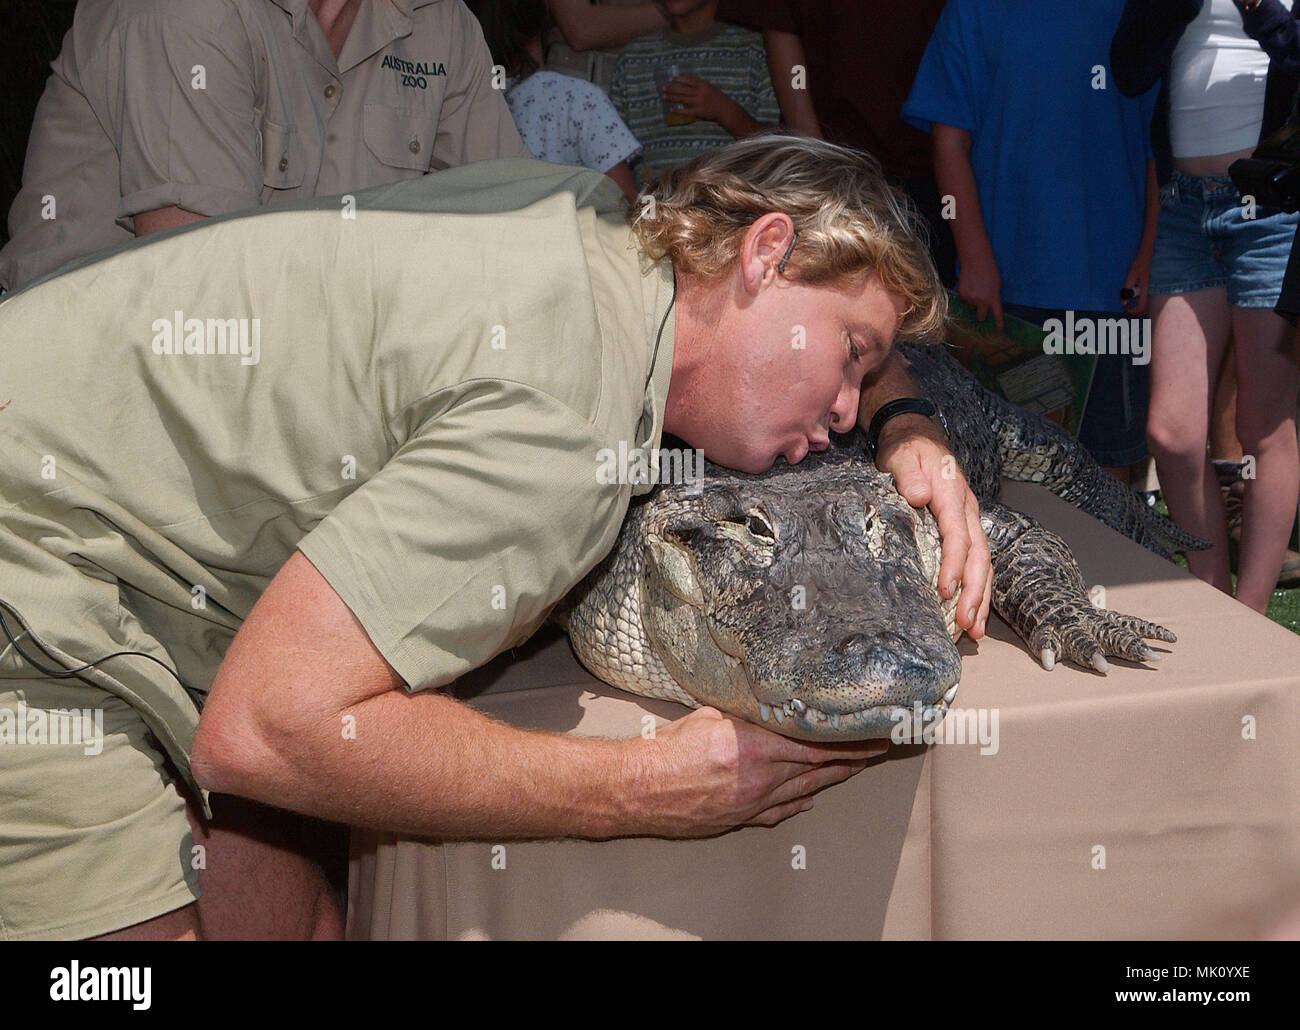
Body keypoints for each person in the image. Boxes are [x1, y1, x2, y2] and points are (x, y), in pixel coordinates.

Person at [0, 134, 992, 940]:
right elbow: (267, 730)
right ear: (764, 253)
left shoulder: (587, 218)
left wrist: (909, 425)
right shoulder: (567, 416)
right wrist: (641, 789)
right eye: (852, 356)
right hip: (37, 558)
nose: (845, 406)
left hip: (126, 531)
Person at [0, 0, 531, 292]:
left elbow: (522, 235)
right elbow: (200, 305)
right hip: (102, 408)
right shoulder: (184, 13)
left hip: (310, 391)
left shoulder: (441, 22)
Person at [902, 0, 1159, 483]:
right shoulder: (974, 10)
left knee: (1107, 470)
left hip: (1111, 289)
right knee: (1012, 469)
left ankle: (1113, 562)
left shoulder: (1138, 11)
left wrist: (1149, 251)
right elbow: (949, 141)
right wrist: (975, 258)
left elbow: (1156, 153)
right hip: (1007, 293)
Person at [1111, 0, 1300, 613]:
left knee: (1262, 427)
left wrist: (1261, 10)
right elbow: (1128, 68)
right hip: (1184, 209)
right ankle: (1214, 597)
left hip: (1273, 211)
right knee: (1171, 431)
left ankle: (1248, 615)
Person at [715, 0, 956, 286]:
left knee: (930, 312)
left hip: (944, 172)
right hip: (830, 170)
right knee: (830, 304)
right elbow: (779, 23)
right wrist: (816, 160)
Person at [469, 0, 641, 199]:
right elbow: (625, 199)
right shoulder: (577, 99)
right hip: (572, 228)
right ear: (543, 14)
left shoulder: (461, 103)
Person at [609, 0, 779, 183]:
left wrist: (725, 112)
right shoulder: (632, 60)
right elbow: (613, 155)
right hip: (658, 205)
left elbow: (780, 150)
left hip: (732, 205)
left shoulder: (756, 51)